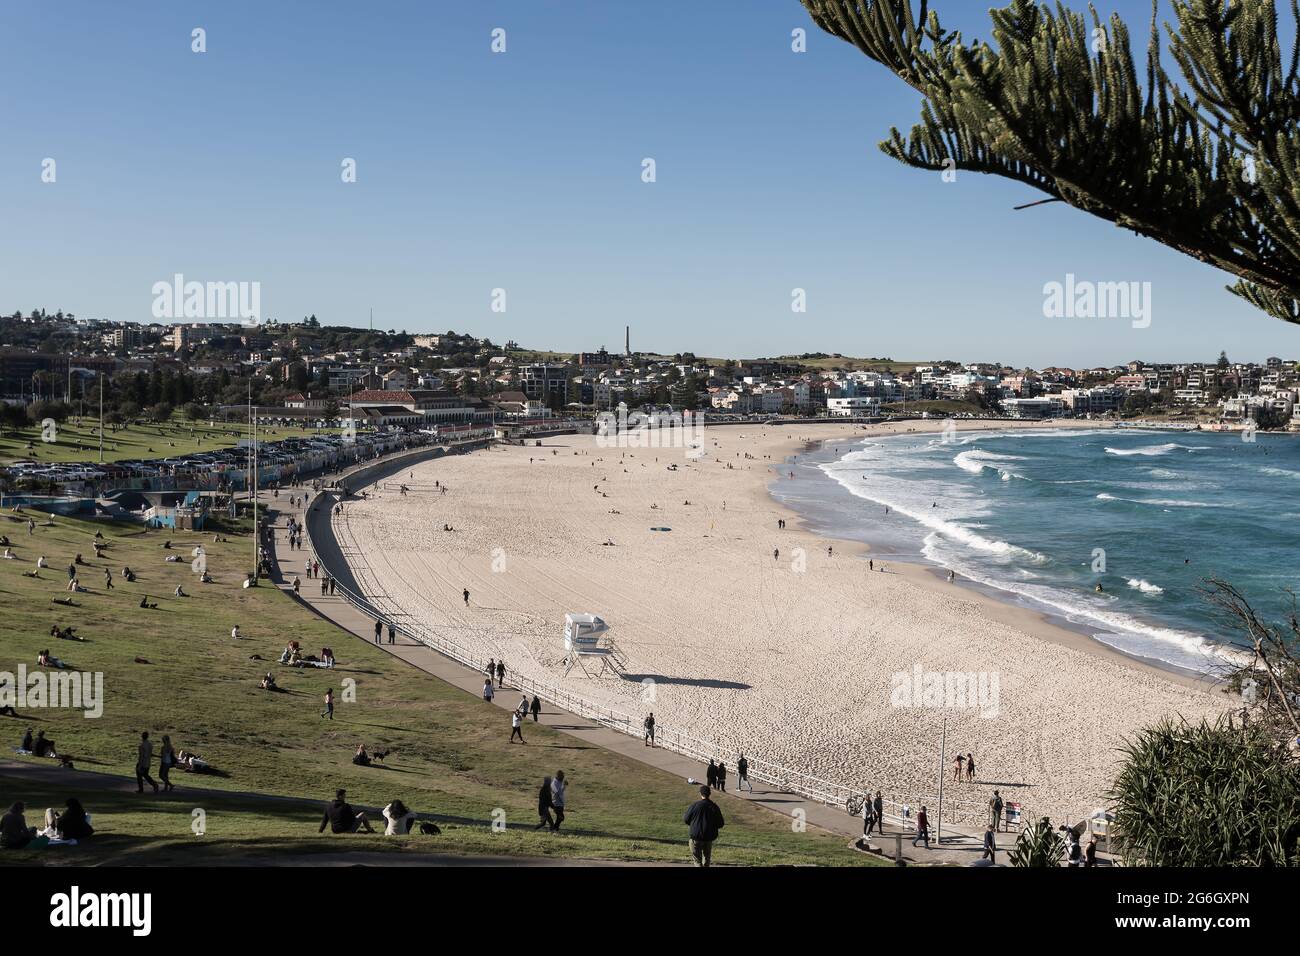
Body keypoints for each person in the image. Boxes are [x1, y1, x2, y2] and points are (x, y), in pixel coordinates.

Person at [683, 785, 726, 867]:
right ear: (709, 794)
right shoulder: (714, 807)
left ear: (701, 794)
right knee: (706, 858)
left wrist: (693, 824)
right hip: (709, 837)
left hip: (696, 836)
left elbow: (686, 819)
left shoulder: (695, 805)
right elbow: (721, 823)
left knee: (697, 859)